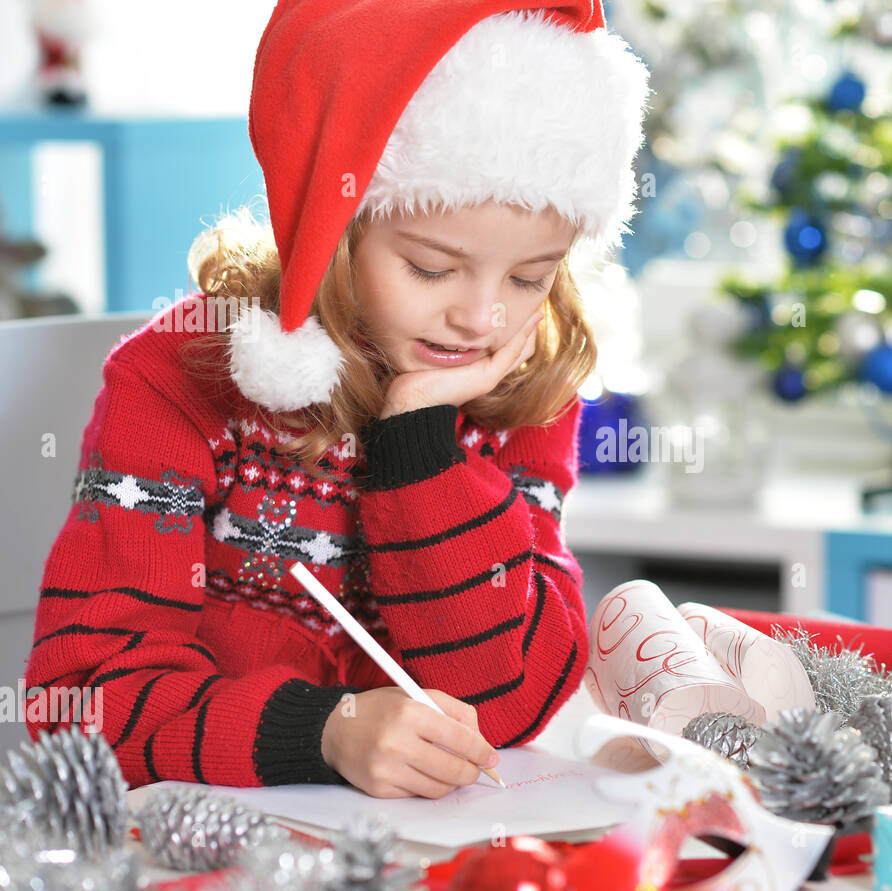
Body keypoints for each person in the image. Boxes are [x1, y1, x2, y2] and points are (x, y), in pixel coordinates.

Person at [24, 0, 651, 799]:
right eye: (431, 268)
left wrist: (419, 440)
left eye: (530, 276)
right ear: (332, 225)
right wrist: (321, 730)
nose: (484, 317)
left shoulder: (519, 387)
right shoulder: (176, 382)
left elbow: (511, 701)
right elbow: (78, 699)